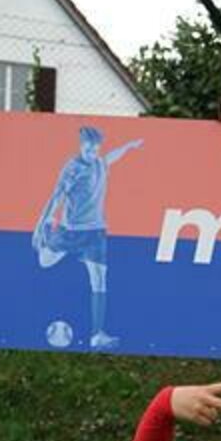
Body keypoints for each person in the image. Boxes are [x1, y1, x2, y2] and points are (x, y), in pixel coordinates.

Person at [34, 126, 143, 348]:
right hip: (70, 231)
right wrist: (40, 223)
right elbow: (56, 197)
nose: (92, 152)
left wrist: (129, 147)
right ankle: (48, 232)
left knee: (99, 280)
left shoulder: (100, 163)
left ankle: (97, 335)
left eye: (95, 148)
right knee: (44, 262)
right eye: (88, 147)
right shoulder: (72, 169)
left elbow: (111, 157)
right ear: (81, 145)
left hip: (95, 232)